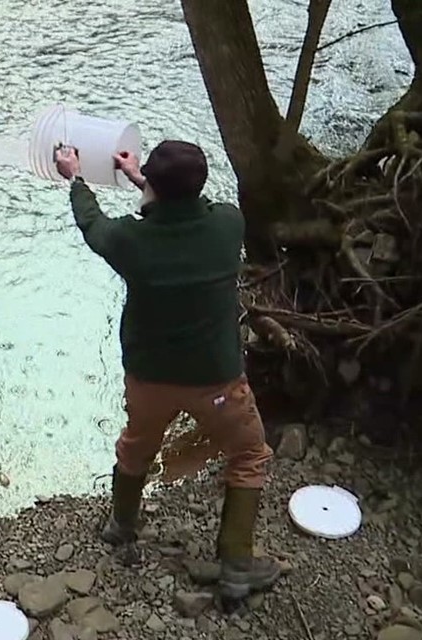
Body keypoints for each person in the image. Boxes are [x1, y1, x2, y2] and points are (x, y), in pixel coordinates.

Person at [53, 141, 279, 599]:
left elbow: (93, 225)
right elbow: (187, 210)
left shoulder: (130, 241)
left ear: (154, 185)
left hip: (149, 377)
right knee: (249, 455)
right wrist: (143, 180)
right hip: (217, 381)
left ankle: (121, 526)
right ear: (200, 186)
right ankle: (236, 565)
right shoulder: (228, 225)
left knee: (136, 448)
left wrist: (74, 177)